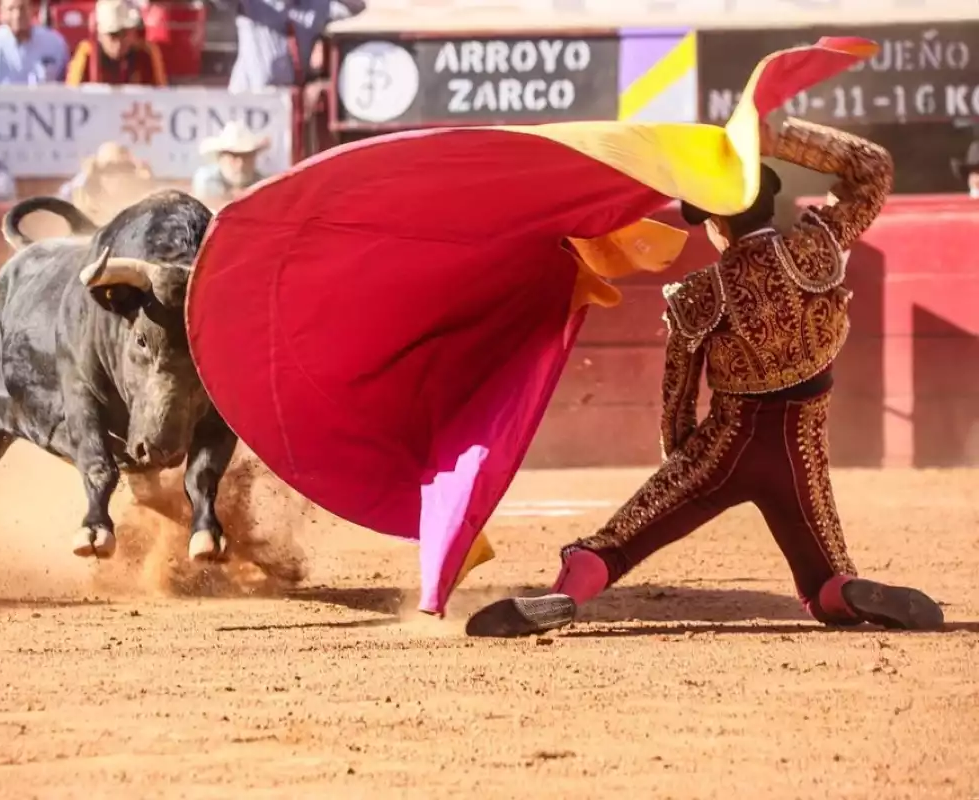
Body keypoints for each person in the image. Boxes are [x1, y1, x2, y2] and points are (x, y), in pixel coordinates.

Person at [466, 117, 946, 638]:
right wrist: (778, 137)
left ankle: (568, 593)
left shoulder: (700, 294)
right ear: (769, 204)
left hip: (724, 447)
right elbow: (872, 168)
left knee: (617, 544)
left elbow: (676, 405)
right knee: (823, 579)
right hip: (801, 451)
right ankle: (843, 594)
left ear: (718, 223)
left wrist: (686, 473)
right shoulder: (819, 248)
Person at [218, 0, 365, 93]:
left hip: (289, 98)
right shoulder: (252, 4)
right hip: (248, 93)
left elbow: (357, 7)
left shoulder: (316, 6)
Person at [0, 0, 69, 88]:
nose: (17, 15)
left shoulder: (55, 43)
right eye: (11, 9)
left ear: (32, 10)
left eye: (22, 8)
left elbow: (67, 86)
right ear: (0, 14)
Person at [64, 0, 165, 87]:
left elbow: (160, 94)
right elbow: (71, 95)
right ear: (100, 35)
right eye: (113, 35)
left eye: (124, 34)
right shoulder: (86, 53)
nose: (119, 43)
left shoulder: (146, 53)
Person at [56, 141, 154, 223]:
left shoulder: (142, 195)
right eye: (111, 169)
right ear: (97, 174)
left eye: (126, 168)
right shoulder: (75, 194)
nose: (119, 176)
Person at [191, 121, 269, 209]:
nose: (240, 165)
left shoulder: (263, 185)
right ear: (220, 158)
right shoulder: (206, 179)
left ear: (254, 158)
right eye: (234, 157)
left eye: (246, 157)